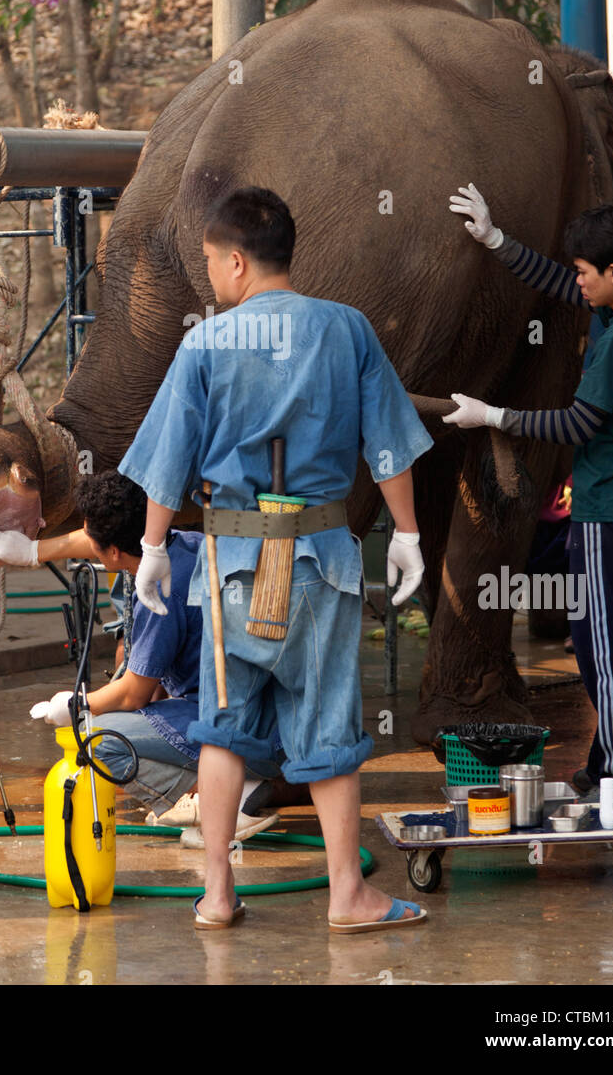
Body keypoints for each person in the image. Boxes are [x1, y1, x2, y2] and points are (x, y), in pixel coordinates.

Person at [118, 186, 433, 930]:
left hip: (231, 562)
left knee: (224, 728)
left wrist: (155, 548)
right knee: (328, 729)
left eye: (208, 263)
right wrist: (409, 533)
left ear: (235, 261)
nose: (209, 278)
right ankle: (347, 896)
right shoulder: (347, 329)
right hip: (322, 561)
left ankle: (219, 893)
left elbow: (170, 458)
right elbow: (388, 443)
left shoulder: (205, 342)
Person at [446, 185, 613, 798]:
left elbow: (576, 423)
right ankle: (610, 761)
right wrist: (494, 239)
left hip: (609, 512)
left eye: (585, 272)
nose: (578, 283)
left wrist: (492, 416)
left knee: (603, 648)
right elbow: (560, 283)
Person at [0, 472, 280, 839]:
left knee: (94, 739)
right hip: (271, 720)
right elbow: (100, 541)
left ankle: (220, 804)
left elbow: (134, 693)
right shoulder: (181, 545)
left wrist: (75, 705)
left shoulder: (156, 589)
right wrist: (31, 552)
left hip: (239, 729)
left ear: (115, 552)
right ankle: (234, 789)